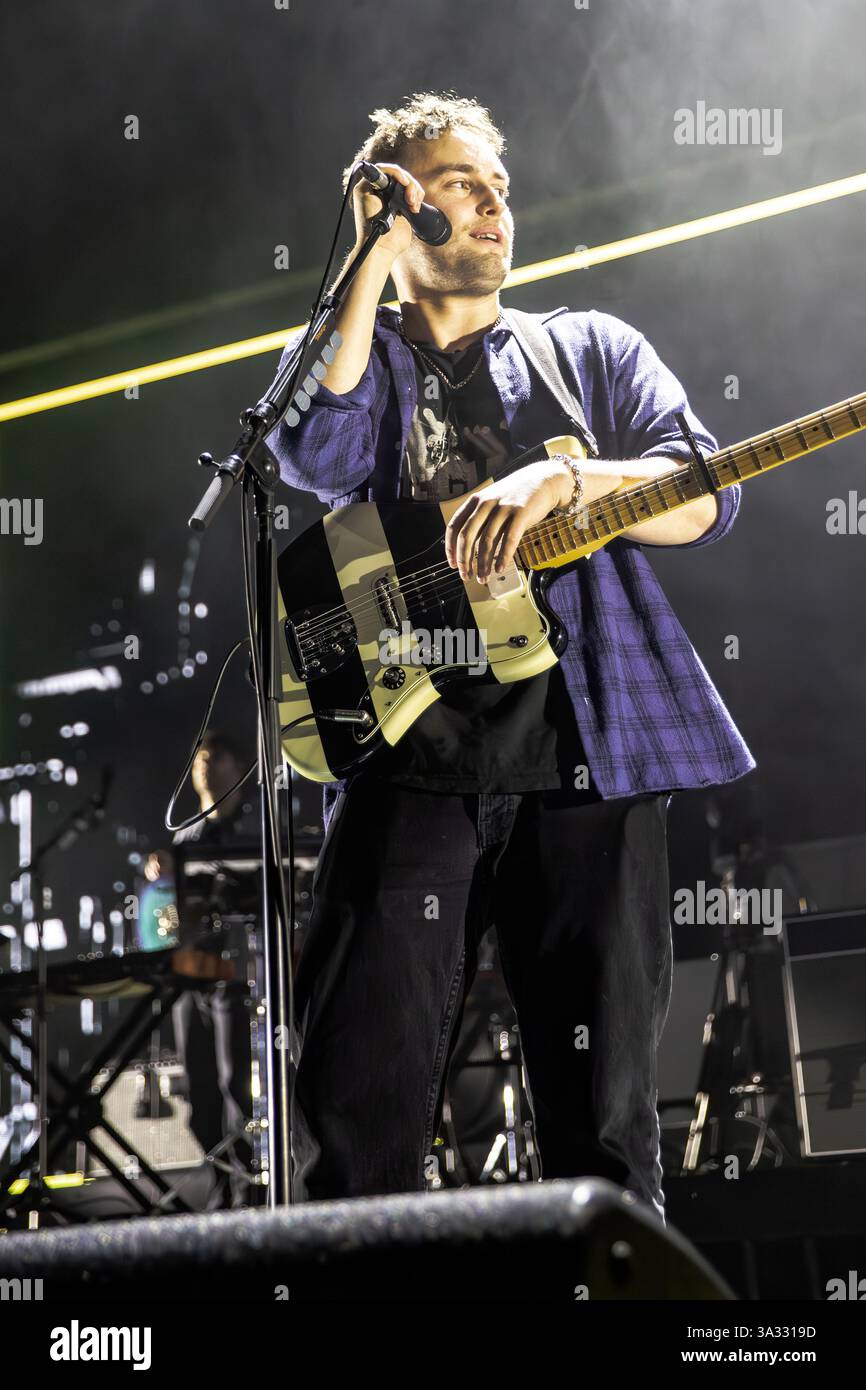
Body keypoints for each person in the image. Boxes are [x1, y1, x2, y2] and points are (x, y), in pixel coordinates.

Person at [267, 92, 755, 1220]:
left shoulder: (588, 349)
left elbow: (699, 497)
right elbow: (312, 443)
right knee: (355, 1126)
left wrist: (566, 476)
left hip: (584, 766)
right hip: (404, 765)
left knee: (606, 1136)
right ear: (399, 207)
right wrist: (368, 255)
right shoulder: (369, 362)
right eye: (457, 183)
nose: (493, 202)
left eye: (499, 185)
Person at [145, 731, 258, 1210]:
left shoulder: (258, 825)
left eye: (214, 757)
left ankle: (251, 1190)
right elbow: (166, 918)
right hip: (194, 979)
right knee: (200, 1097)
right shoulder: (184, 837)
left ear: (238, 766)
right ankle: (222, 1190)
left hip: (237, 979)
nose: (205, 766)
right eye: (199, 760)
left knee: (239, 1090)